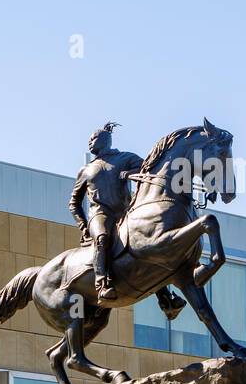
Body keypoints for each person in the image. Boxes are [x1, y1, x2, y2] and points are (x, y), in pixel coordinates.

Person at [68, 122, 186, 317]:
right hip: (100, 215)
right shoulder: (86, 170)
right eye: (89, 139)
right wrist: (83, 226)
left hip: (125, 213)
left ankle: (167, 299)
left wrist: (130, 174)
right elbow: (74, 203)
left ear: (105, 140)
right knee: (102, 239)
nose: (90, 141)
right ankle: (102, 283)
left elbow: (150, 170)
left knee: (147, 244)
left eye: (94, 138)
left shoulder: (125, 158)